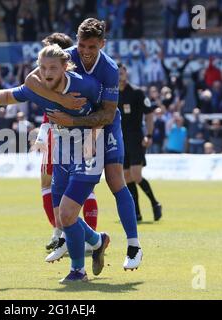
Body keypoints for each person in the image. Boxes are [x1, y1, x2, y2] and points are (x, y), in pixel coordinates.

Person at [0, 44, 110, 283]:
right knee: (63, 217)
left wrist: (91, 135)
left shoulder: (85, 85)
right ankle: (98, 241)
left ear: (64, 67)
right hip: (61, 155)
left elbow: (107, 112)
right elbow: (8, 96)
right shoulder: (37, 87)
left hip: (89, 153)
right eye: (42, 67)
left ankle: (78, 271)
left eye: (52, 67)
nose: (46, 72)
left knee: (68, 214)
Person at [25, 18, 142, 271]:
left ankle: (134, 246)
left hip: (104, 126)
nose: (86, 53)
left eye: (92, 47)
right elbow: (31, 81)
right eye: (82, 46)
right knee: (63, 184)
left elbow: (108, 114)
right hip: (73, 129)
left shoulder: (109, 69)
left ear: (102, 44)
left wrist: (71, 117)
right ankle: (81, 239)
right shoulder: (65, 57)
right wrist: (63, 103)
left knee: (115, 179)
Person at [35, 32, 100, 251]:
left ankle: (61, 234)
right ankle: (77, 236)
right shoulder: (80, 75)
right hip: (79, 130)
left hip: (62, 132)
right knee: (82, 185)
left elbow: (49, 106)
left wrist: (44, 135)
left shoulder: (56, 77)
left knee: (50, 183)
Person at [118, 63, 162, 222]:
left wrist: (149, 135)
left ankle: (155, 203)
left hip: (136, 139)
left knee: (136, 175)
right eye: (117, 73)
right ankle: (136, 212)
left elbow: (149, 114)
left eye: (121, 73)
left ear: (126, 74)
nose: (119, 76)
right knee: (127, 177)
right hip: (120, 141)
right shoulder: (112, 93)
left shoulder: (137, 93)